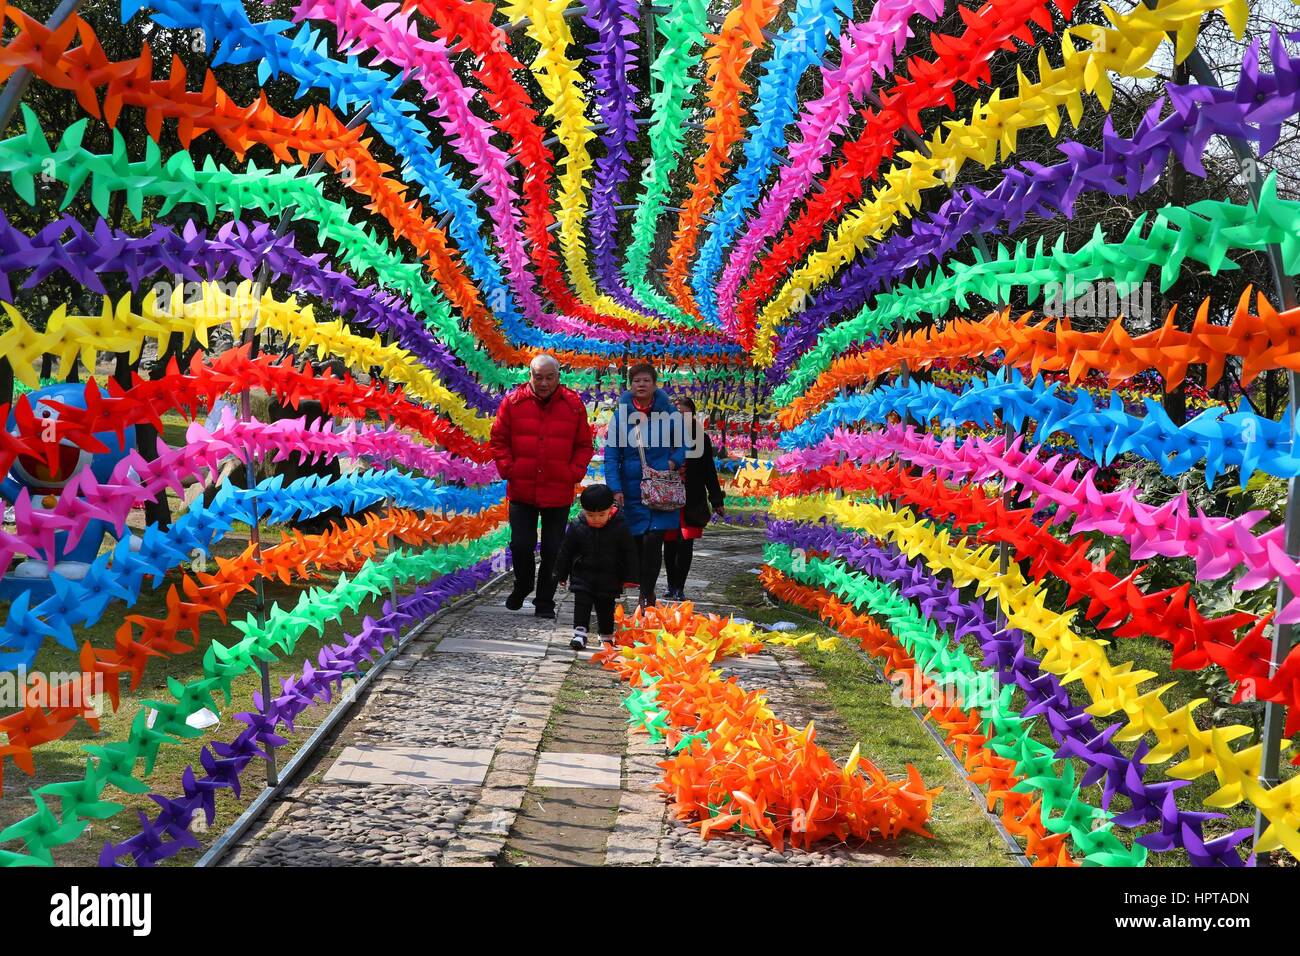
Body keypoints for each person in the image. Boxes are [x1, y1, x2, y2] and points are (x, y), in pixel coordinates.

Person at [489, 354, 594, 619]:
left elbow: (584, 445)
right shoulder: (513, 402)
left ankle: (544, 600)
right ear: (530, 376)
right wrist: (509, 468)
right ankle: (522, 584)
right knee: (521, 545)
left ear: (558, 376)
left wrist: (573, 472)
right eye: (538, 377)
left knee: (553, 549)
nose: (544, 382)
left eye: (549, 377)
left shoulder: (573, 405)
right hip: (522, 487)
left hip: (558, 488)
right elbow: (498, 439)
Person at [603, 362, 685, 607]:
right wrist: (615, 488)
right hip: (632, 490)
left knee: (654, 540)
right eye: (637, 381)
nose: (641, 384)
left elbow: (683, 445)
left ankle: (646, 593)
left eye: (646, 380)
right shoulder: (621, 414)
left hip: (660, 488)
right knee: (637, 541)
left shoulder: (669, 413)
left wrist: (673, 462)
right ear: (631, 385)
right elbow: (611, 455)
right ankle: (641, 584)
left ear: (654, 384)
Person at [553, 484, 639, 651]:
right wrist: (561, 574)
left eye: (601, 515)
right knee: (582, 603)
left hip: (610, 575)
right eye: (591, 515)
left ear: (610, 510)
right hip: (582, 573)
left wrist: (631, 577)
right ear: (583, 510)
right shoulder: (578, 525)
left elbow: (629, 552)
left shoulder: (620, 526)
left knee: (605, 606)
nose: (596, 519)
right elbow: (566, 550)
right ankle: (580, 634)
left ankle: (606, 636)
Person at [662, 397, 725, 601]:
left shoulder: (701, 439)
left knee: (685, 542)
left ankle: (680, 587)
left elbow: (709, 470)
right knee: (670, 544)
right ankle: (671, 585)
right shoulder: (662, 437)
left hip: (691, 498)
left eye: (685, 413)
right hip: (667, 497)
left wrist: (716, 500)